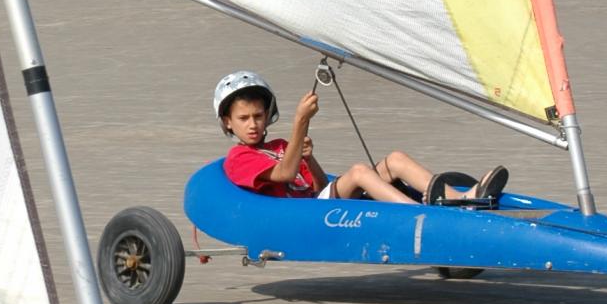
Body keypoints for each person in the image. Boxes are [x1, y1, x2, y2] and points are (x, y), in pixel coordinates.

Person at [212, 73, 508, 207]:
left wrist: (309, 157)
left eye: (258, 116)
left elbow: (315, 186)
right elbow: (286, 175)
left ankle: (464, 199)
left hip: (316, 201)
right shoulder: (238, 159)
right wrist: (301, 122)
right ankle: (418, 215)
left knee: (395, 159)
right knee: (358, 172)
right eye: (243, 119)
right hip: (299, 216)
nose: (253, 124)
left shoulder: (278, 147)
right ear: (228, 122)